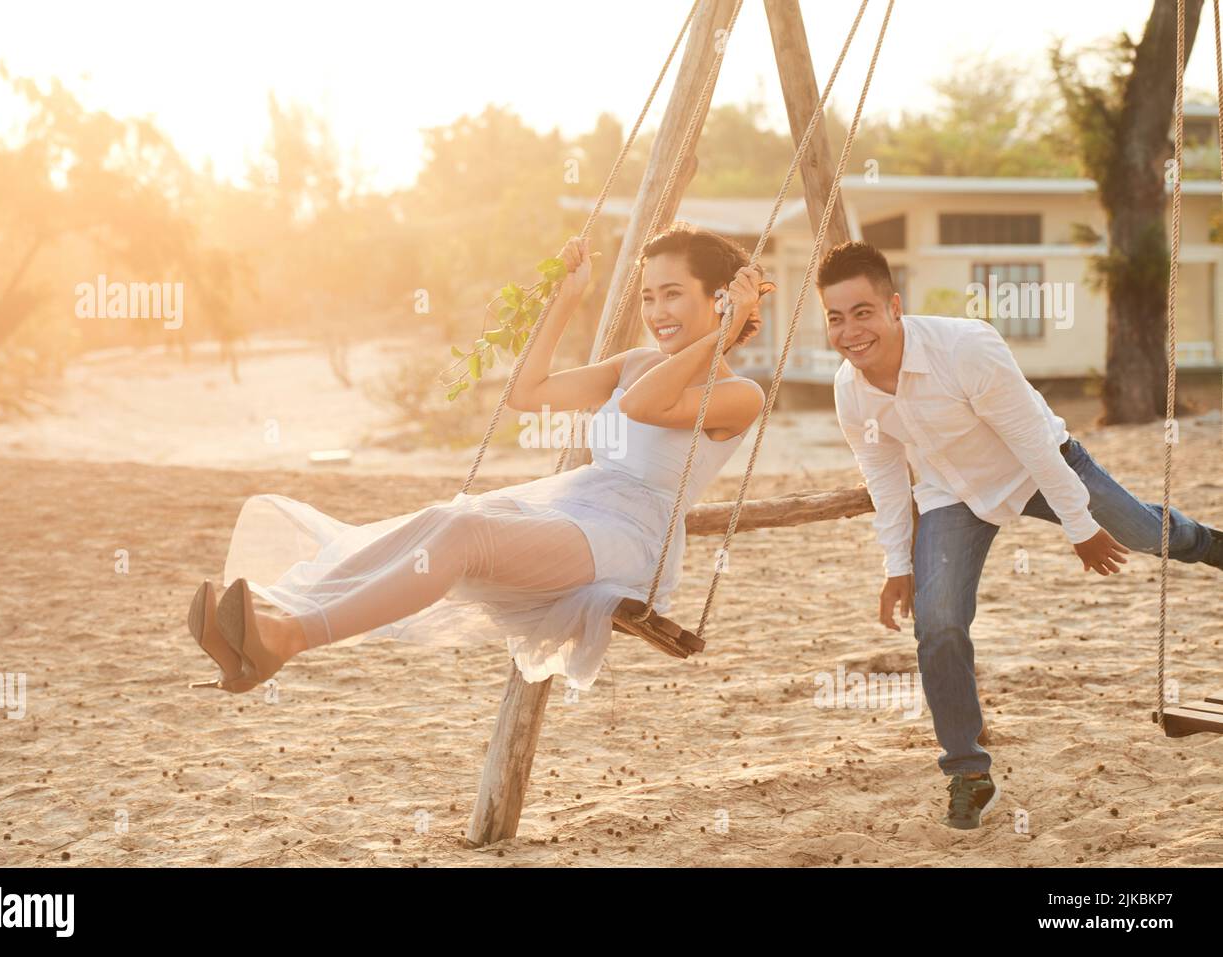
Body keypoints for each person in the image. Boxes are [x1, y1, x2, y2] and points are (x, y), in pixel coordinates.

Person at [186, 223, 770, 695]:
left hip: (631, 540)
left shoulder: (740, 395)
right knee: (443, 519)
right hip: (577, 506)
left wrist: (723, 335)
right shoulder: (636, 363)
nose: (657, 310)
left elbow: (646, 407)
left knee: (465, 534)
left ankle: (287, 637)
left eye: (673, 294)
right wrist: (567, 299)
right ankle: (271, 621)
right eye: (648, 296)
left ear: (719, 298)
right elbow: (527, 393)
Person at [820, 240, 1223, 830]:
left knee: (1141, 533)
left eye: (863, 312)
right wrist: (896, 565)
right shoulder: (849, 391)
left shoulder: (966, 348)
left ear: (895, 307)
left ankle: (1209, 544)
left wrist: (1080, 526)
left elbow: (1035, 444)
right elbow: (883, 476)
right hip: (953, 495)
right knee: (938, 622)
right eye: (835, 317)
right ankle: (968, 772)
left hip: (1040, 467)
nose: (850, 331)